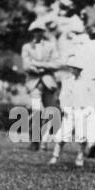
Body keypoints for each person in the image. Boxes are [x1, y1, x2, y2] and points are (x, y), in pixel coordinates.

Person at [51, 20, 95, 167]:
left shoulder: (82, 48)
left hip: (84, 82)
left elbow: (71, 64)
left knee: (89, 117)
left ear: (90, 35)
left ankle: (92, 144)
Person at [21, 18, 63, 150]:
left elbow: (57, 63)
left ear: (43, 32)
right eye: (35, 31)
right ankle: (35, 140)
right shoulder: (27, 47)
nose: (37, 33)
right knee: (37, 110)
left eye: (39, 31)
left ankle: (44, 139)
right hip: (34, 84)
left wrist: (39, 65)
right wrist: (43, 67)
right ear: (32, 33)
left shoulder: (50, 46)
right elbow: (26, 65)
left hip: (48, 83)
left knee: (50, 113)